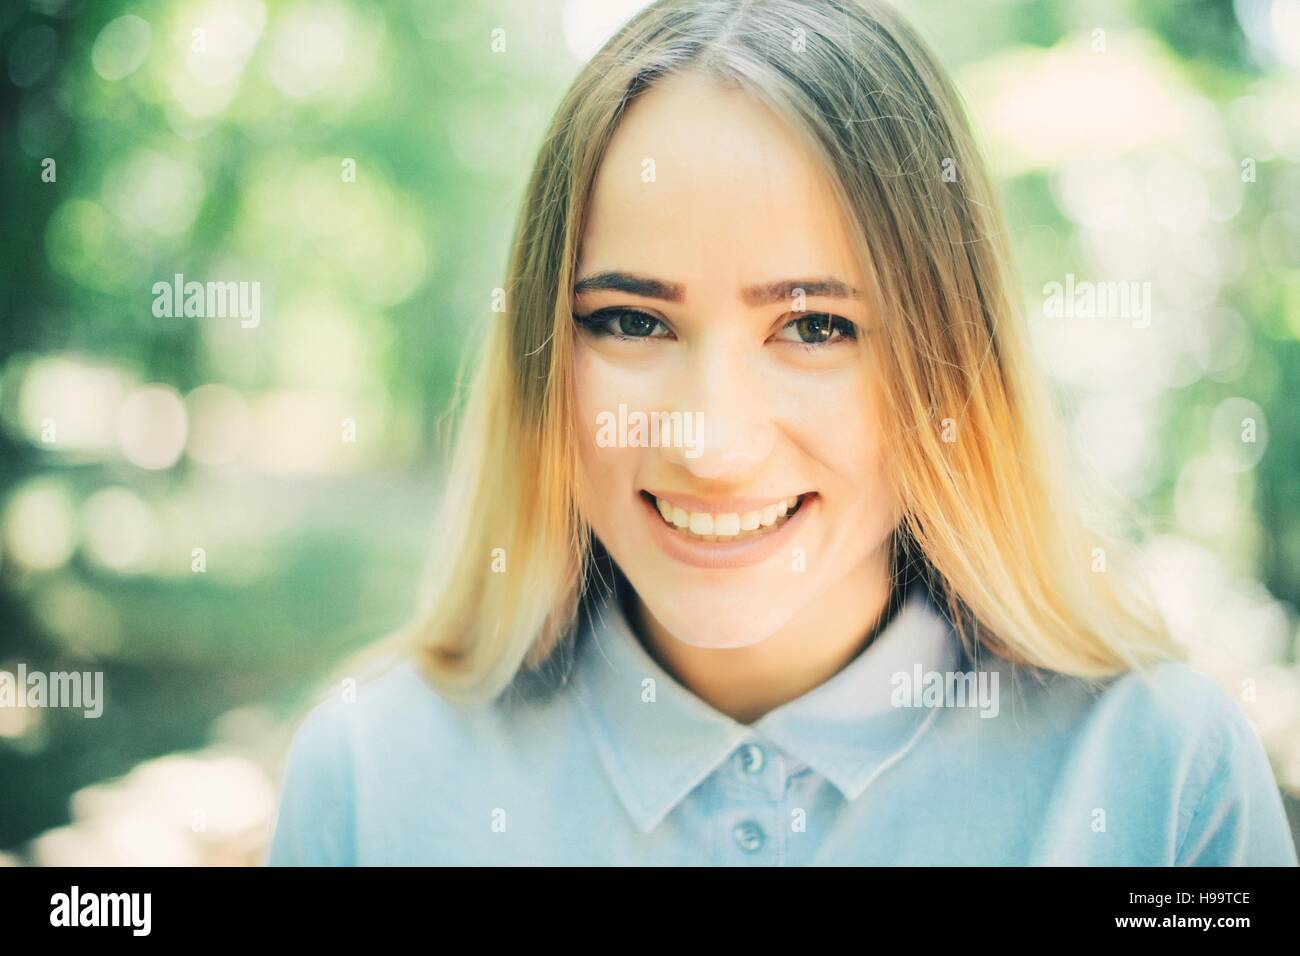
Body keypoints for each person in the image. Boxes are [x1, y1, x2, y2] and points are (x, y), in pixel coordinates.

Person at [267, 0, 1298, 866]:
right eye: (630, 319)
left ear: (949, 355)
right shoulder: (371, 777)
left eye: (815, 325)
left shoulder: (1164, 781)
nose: (709, 442)